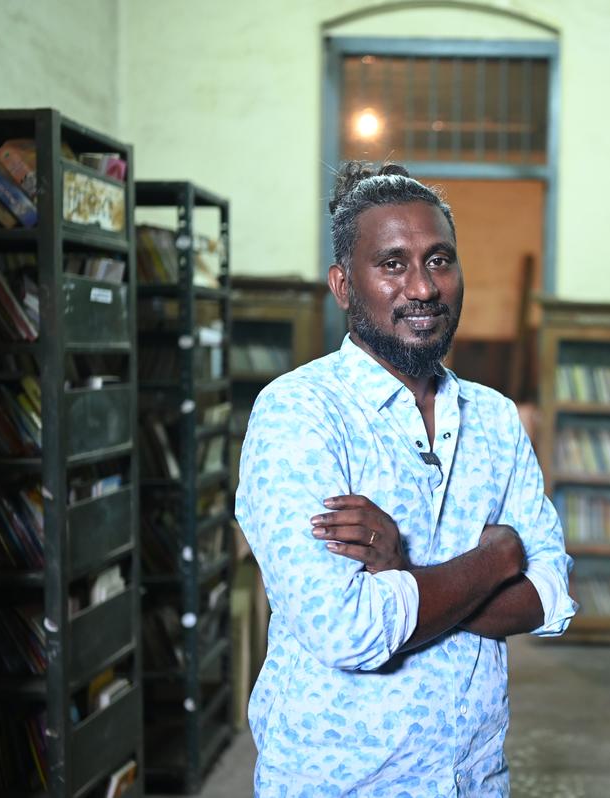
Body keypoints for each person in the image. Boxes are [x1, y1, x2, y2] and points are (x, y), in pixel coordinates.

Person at [236, 162, 576, 796]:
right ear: (343, 285)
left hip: (473, 778)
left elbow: (550, 596)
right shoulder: (299, 413)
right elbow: (350, 630)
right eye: (392, 264)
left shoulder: (494, 417)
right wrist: (496, 560)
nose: (422, 287)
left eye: (439, 260)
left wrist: (403, 576)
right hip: (338, 783)